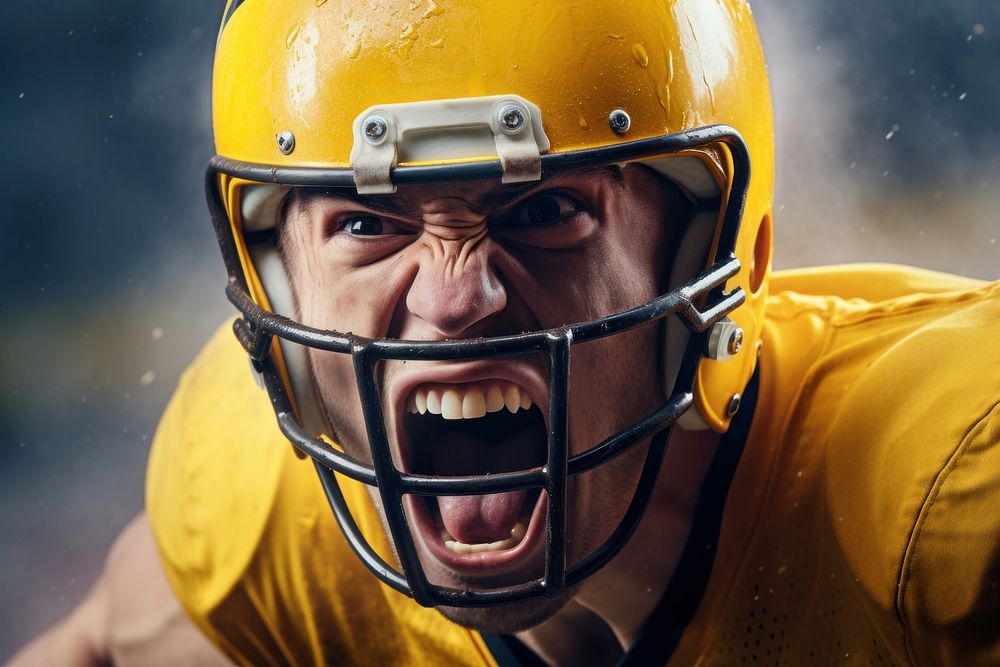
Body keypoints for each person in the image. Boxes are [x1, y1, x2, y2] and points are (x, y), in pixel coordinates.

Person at [9, 0, 1000, 665]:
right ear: (283, 289)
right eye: (366, 225)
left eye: (542, 212)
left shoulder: (941, 505)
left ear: (719, 261)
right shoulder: (271, 523)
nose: (454, 300)